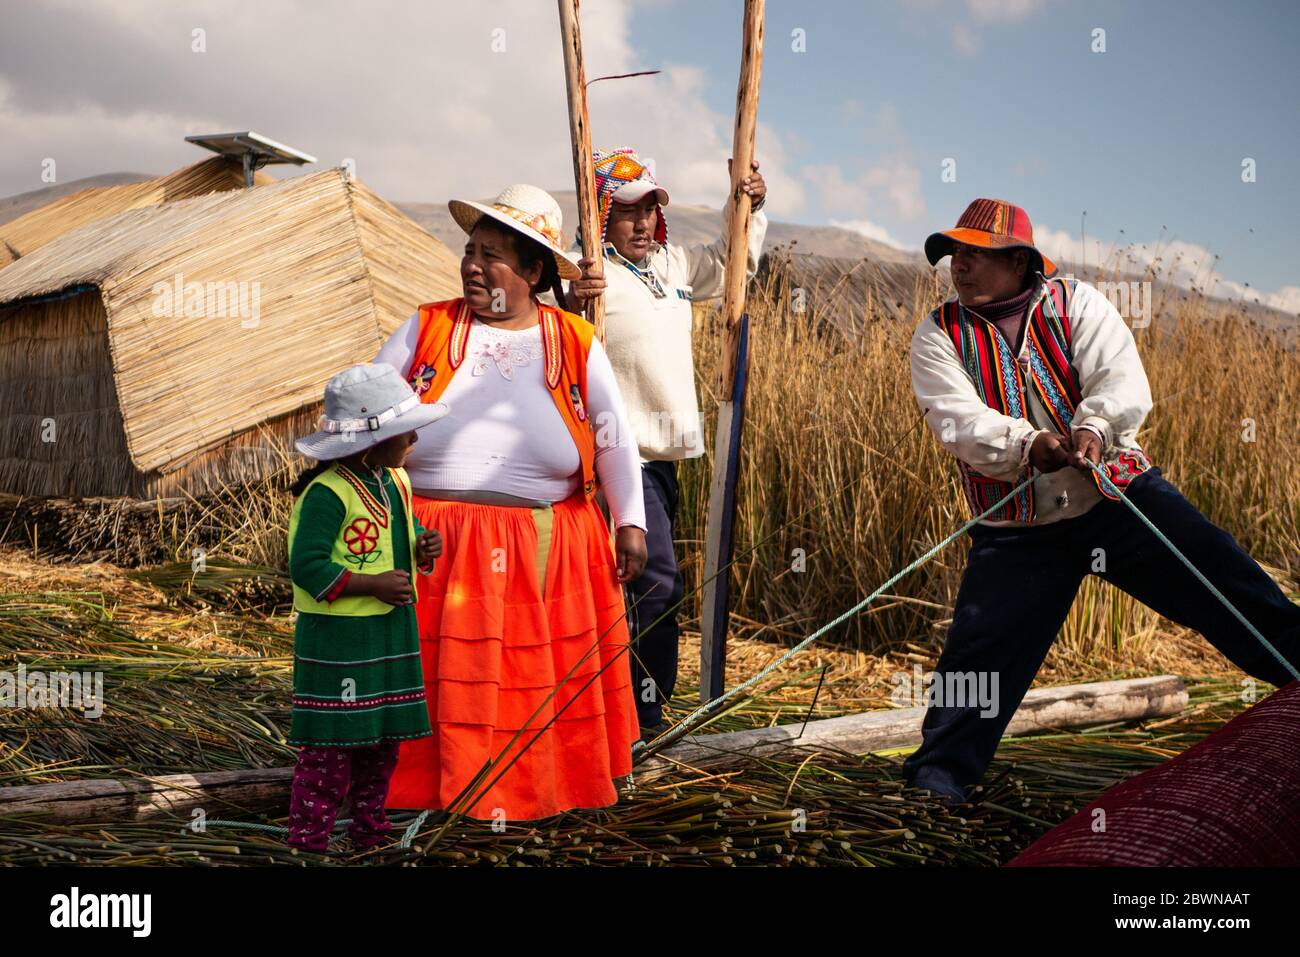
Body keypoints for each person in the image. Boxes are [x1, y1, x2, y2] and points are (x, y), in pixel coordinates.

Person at [905, 198, 1300, 805]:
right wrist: (1029, 443)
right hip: (1019, 526)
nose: (959, 266)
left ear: (1018, 261)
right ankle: (939, 781)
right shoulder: (938, 334)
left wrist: (1093, 430)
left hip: (1118, 500)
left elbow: (1119, 381)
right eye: (954, 254)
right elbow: (955, 420)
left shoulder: (1076, 304)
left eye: (975, 255)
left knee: (1227, 584)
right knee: (977, 663)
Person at [376, 183, 648, 821]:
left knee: (520, 681)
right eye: (469, 250)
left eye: (491, 255)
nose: (472, 264)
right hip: (425, 542)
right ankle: (415, 794)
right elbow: (368, 408)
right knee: (432, 681)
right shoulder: (427, 326)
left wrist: (630, 521)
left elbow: (612, 435)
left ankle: (522, 793)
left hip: (540, 545)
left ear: (531, 271)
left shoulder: (573, 340)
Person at [563, 148, 768, 739]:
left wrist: (748, 203)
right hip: (617, 459)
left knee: (637, 587)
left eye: (652, 207)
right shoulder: (592, 279)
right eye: (628, 211)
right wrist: (578, 293)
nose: (644, 221)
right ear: (601, 215)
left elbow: (735, 263)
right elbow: (565, 326)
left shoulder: (672, 267)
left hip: (663, 460)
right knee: (656, 584)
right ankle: (643, 720)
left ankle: (623, 711)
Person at [285, 362, 448, 852]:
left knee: (382, 744)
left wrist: (422, 545)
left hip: (390, 634)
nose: (415, 437)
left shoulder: (393, 482)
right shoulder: (326, 494)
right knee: (333, 749)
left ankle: (370, 833)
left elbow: (399, 533)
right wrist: (370, 584)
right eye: (405, 431)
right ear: (372, 443)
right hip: (341, 643)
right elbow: (307, 567)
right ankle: (307, 843)